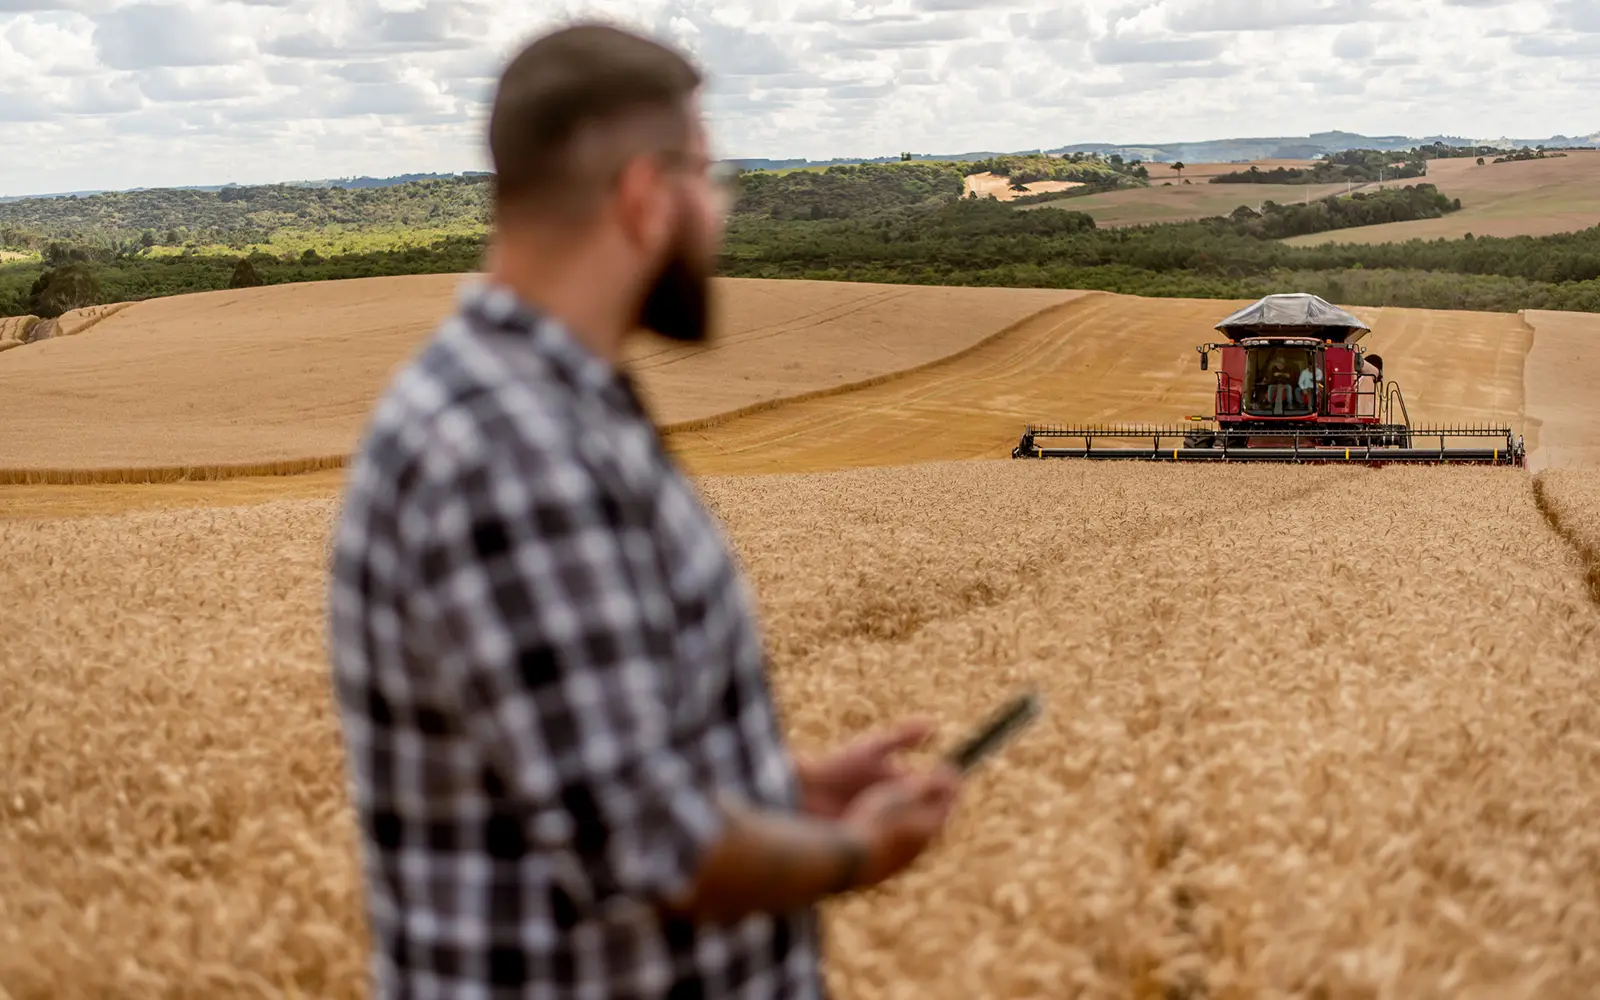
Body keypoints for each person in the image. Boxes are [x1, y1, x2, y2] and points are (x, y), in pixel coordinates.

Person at [325, 21, 963, 1000]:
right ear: (641, 195)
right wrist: (854, 850)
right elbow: (645, 844)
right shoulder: (516, 454)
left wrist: (786, 789)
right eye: (706, 179)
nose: (718, 212)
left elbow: (585, 766)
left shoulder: (545, 406)